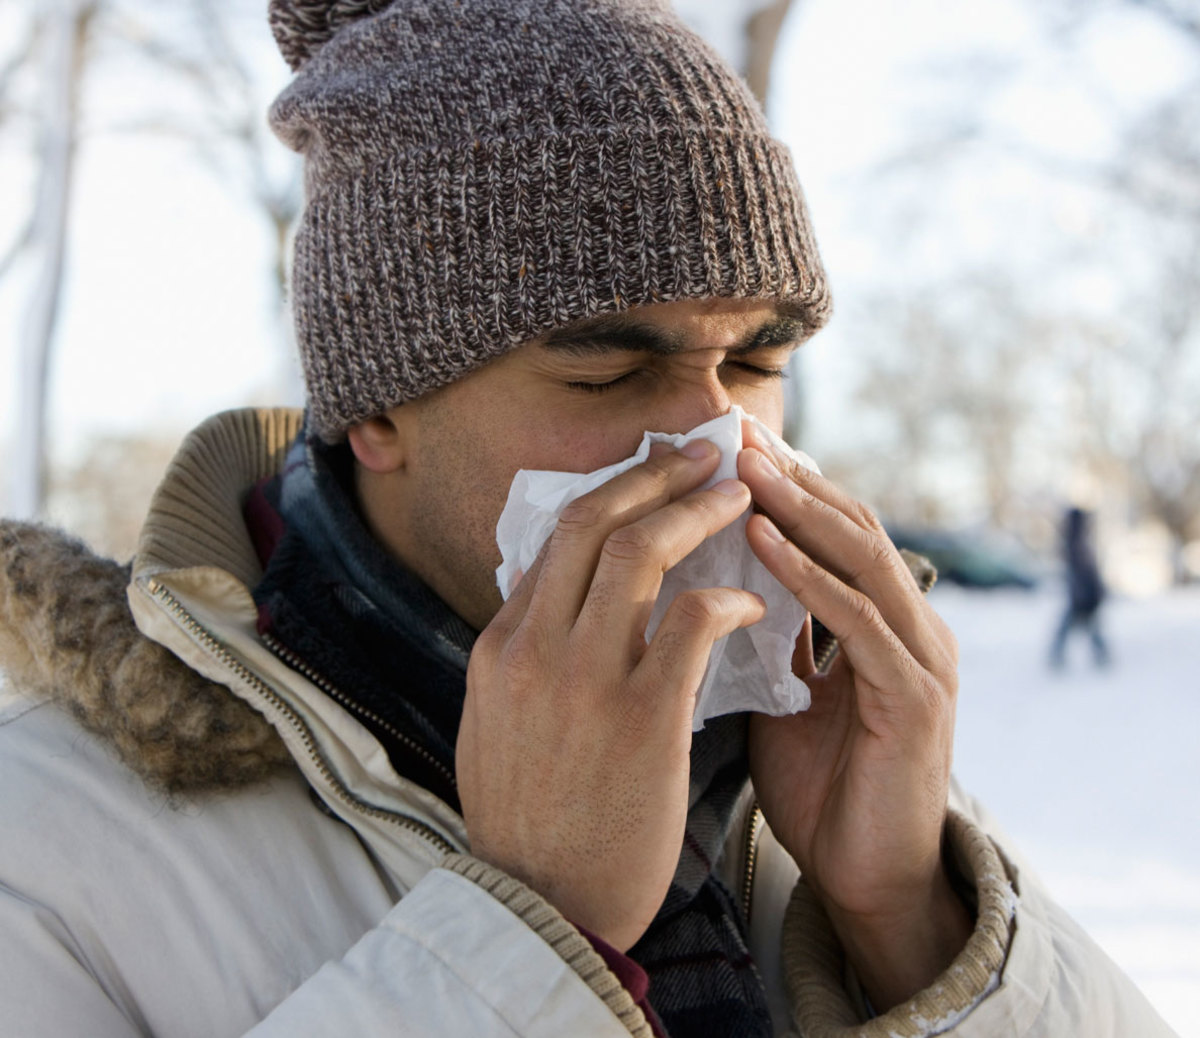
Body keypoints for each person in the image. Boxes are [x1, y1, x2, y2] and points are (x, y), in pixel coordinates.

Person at [0, 1, 1174, 1035]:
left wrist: (910, 919)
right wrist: (528, 935)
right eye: (608, 372)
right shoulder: (45, 846)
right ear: (380, 411)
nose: (716, 441)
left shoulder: (808, 750)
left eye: (759, 364)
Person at [1049, 506, 1110, 669]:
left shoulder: (1076, 543)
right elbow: (1083, 573)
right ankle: (1101, 658)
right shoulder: (1077, 542)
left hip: (1083, 596)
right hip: (1082, 596)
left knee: (1079, 629)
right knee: (1086, 629)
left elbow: (1085, 573)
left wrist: (1089, 593)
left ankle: (1057, 659)